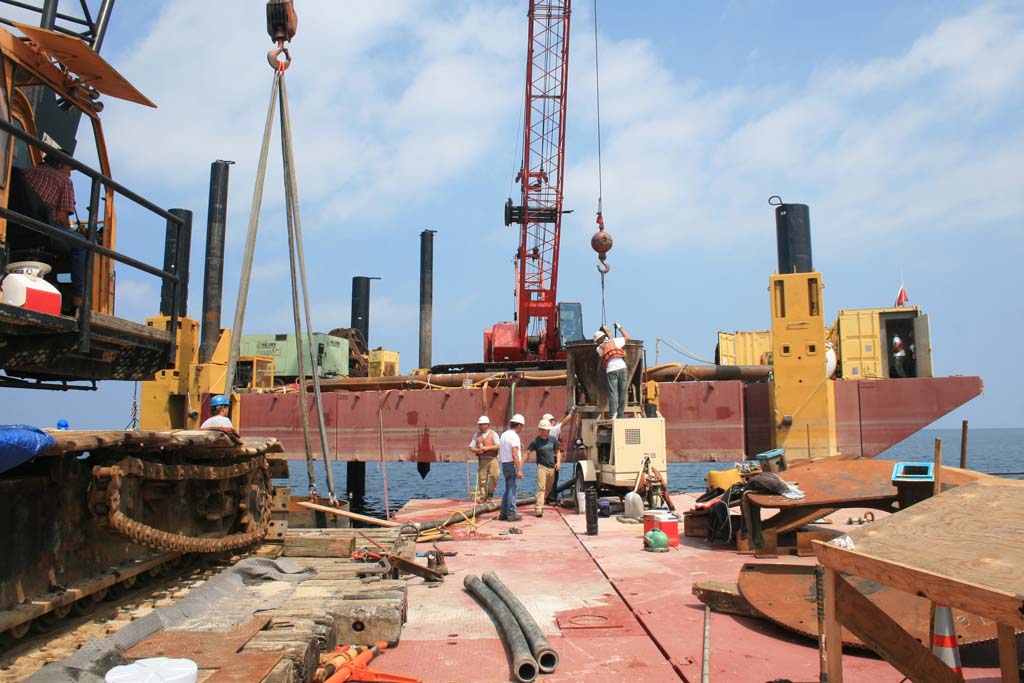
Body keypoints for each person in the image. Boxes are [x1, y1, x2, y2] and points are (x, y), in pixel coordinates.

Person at [21, 154, 85, 307]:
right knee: (82, 244)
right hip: (42, 227)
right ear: (61, 164)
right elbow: (62, 220)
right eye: (70, 169)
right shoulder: (64, 181)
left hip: (15, 225)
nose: (70, 174)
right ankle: (79, 297)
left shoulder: (25, 172)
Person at [527, 419, 562, 518]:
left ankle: (540, 501)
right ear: (540, 430)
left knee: (549, 488)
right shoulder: (536, 441)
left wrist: (558, 462)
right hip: (541, 467)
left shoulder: (553, 440)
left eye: (548, 430)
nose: (547, 432)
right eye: (545, 430)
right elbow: (528, 452)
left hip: (552, 467)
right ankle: (539, 508)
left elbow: (558, 452)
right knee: (541, 487)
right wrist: (521, 465)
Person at [595, 322, 630, 418]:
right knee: (623, 392)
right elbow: (628, 338)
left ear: (598, 341)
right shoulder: (615, 341)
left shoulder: (599, 348)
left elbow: (603, 356)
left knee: (613, 393)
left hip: (611, 370)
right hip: (622, 368)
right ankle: (621, 414)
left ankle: (612, 414)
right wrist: (620, 327)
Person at [540, 407, 575, 503]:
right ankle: (551, 499)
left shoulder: (546, 431)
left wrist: (564, 414)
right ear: (549, 422)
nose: (554, 421)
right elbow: (563, 423)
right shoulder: (552, 430)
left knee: (548, 479)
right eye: (552, 420)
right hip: (552, 458)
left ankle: (546, 497)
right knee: (554, 479)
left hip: (545, 458)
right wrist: (571, 413)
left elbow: (558, 423)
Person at [498, 413, 526, 522]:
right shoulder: (514, 436)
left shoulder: (504, 434)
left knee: (508, 489)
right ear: (519, 425)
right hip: (511, 464)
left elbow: (507, 448)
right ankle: (511, 514)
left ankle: (503, 513)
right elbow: (514, 453)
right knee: (512, 489)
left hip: (504, 464)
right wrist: (519, 470)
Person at [468, 415, 500, 502]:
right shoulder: (477, 435)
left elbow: (498, 446)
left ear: (487, 425)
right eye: (479, 424)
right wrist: (477, 450)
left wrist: (487, 448)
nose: (480, 426)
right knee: (482, 479)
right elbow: (471, 447)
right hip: (482, 459)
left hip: (493, 459)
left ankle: (490, 494)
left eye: (482, 424)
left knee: (494, 476)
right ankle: (483, 496)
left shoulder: (493, 434)